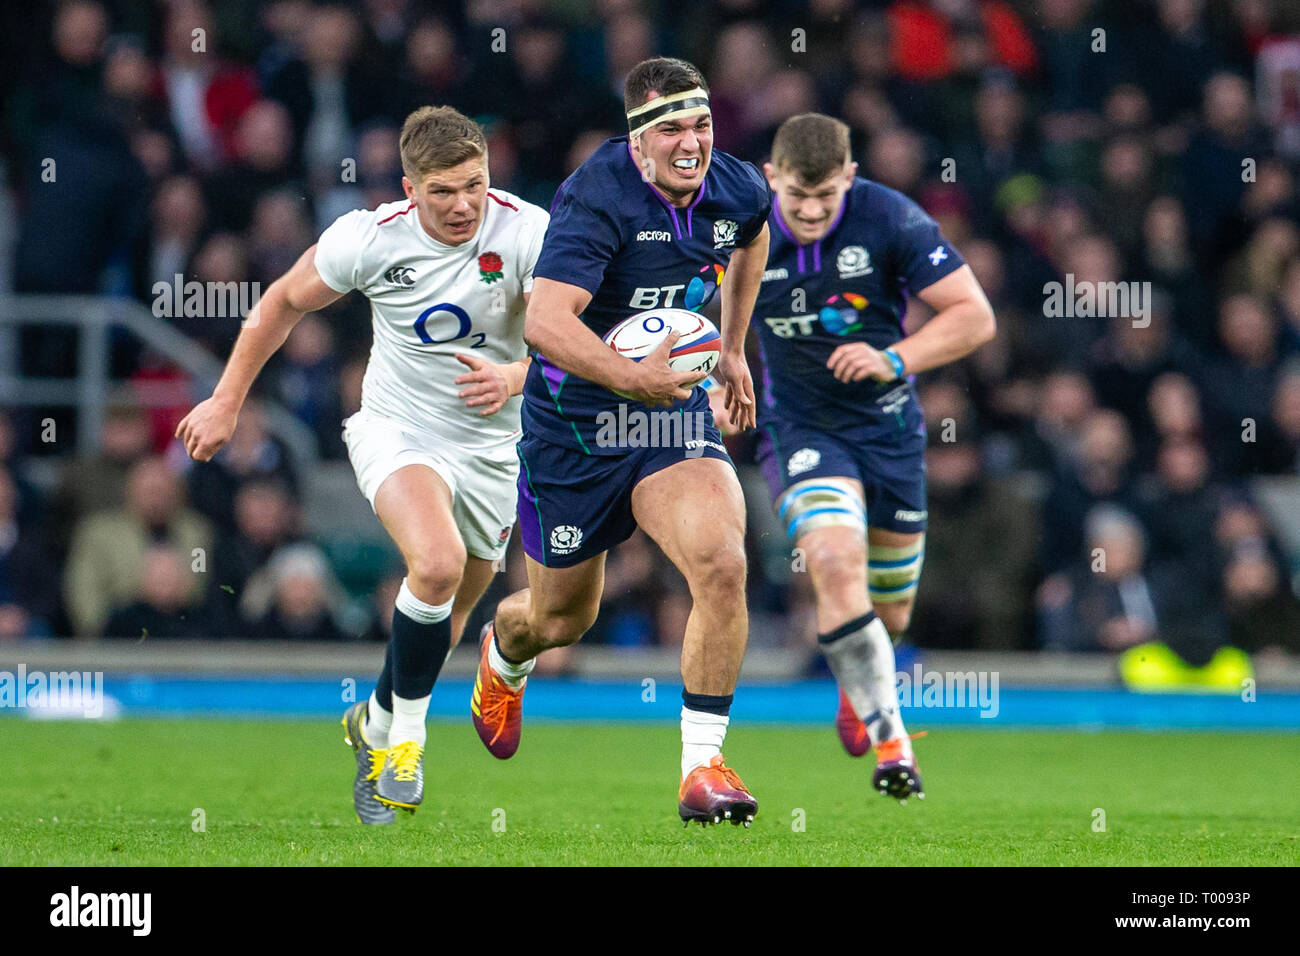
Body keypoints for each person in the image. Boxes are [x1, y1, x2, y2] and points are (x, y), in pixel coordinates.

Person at [176, 106, 549, 824]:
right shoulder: (368, 239)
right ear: (409, 188)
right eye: (442, 191)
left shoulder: (527, 230)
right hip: (398, 429)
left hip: (495, 449)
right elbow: (282, 300)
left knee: (444, 622)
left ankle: (372, 723)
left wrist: (514, 376)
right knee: (434, 565)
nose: (463, 203)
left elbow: (573, 339)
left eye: (473, 184)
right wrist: (226, 401)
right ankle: (404, 744)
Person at [473, 57, 771, 827]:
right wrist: (630, 377)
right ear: (636, 141)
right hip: (573, 430)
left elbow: (754, 235)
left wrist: (733, 346)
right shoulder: (596, 199)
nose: (690, 142)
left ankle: (702, 767)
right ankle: (504, 653)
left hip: (668, 419)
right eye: (670, 127)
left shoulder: (734, 186)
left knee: (721, 560)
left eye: (701, 124)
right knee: (561, 621)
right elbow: (544, 325)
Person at [744, 113, 995, 801]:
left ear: (850, 177)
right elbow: (690, 309)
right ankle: (895, 743)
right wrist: (710, 376)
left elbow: (974, 316)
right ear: (773, 178)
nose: (814, 210)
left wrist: (892, 358)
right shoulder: (740, 225)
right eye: (798, 197)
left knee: (890, 616)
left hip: (889, 436)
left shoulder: (890, 218)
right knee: (831, 560)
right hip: (800, 431)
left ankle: (863, 685)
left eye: (828, 196)